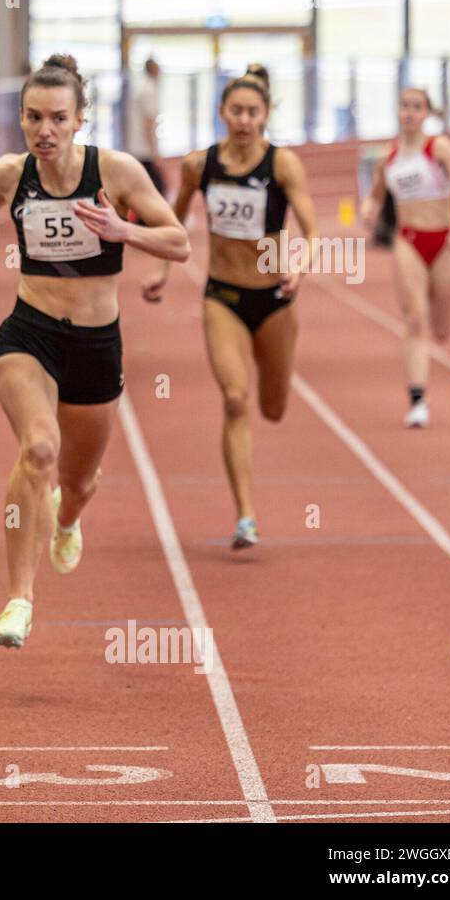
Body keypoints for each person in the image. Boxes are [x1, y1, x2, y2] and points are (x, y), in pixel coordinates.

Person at [0, 54, 189, 649]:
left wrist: (125, 231)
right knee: (39, 450)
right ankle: (19, 600)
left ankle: (66, 519)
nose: (45, 130)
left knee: (80, 480)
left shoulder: (116, 172)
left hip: (96, 344)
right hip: (30, 332)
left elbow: (180, 242)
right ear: (20, 119)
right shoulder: (16, 173)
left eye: (58, 118)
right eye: (34, 117)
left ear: (79, 121)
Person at [151, 64, 318, 549]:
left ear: (266, 115)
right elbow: (172, 218)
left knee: (272, 407)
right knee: (234, 399)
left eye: (254, 112)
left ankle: (248, 504)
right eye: (237, 111)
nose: (244, 120)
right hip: (222, 294)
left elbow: (311, 229)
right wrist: (163, 267)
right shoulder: (199, 165)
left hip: (274, 300)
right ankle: (245, 516)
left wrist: (299, 265)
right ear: (222, 112)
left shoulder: (282, 165)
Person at [360, 87, 450, 428]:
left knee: (441, 330)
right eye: (404, 107)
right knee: (415, 319)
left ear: (426, 113)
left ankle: (435, 337)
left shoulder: (438, 148)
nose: (410, 113)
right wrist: (368, 211)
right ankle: (417, 401)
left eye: (417, 107)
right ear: (397, 112)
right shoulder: (389, 158)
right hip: (409, 240)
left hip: (444, 241)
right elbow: (373, 197)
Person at [125, 57, 164, 194]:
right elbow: (149, 122)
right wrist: (154, 153)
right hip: (143, 150)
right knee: (156, 190)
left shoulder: (140, 86)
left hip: (135, 148)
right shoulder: (149, 89)